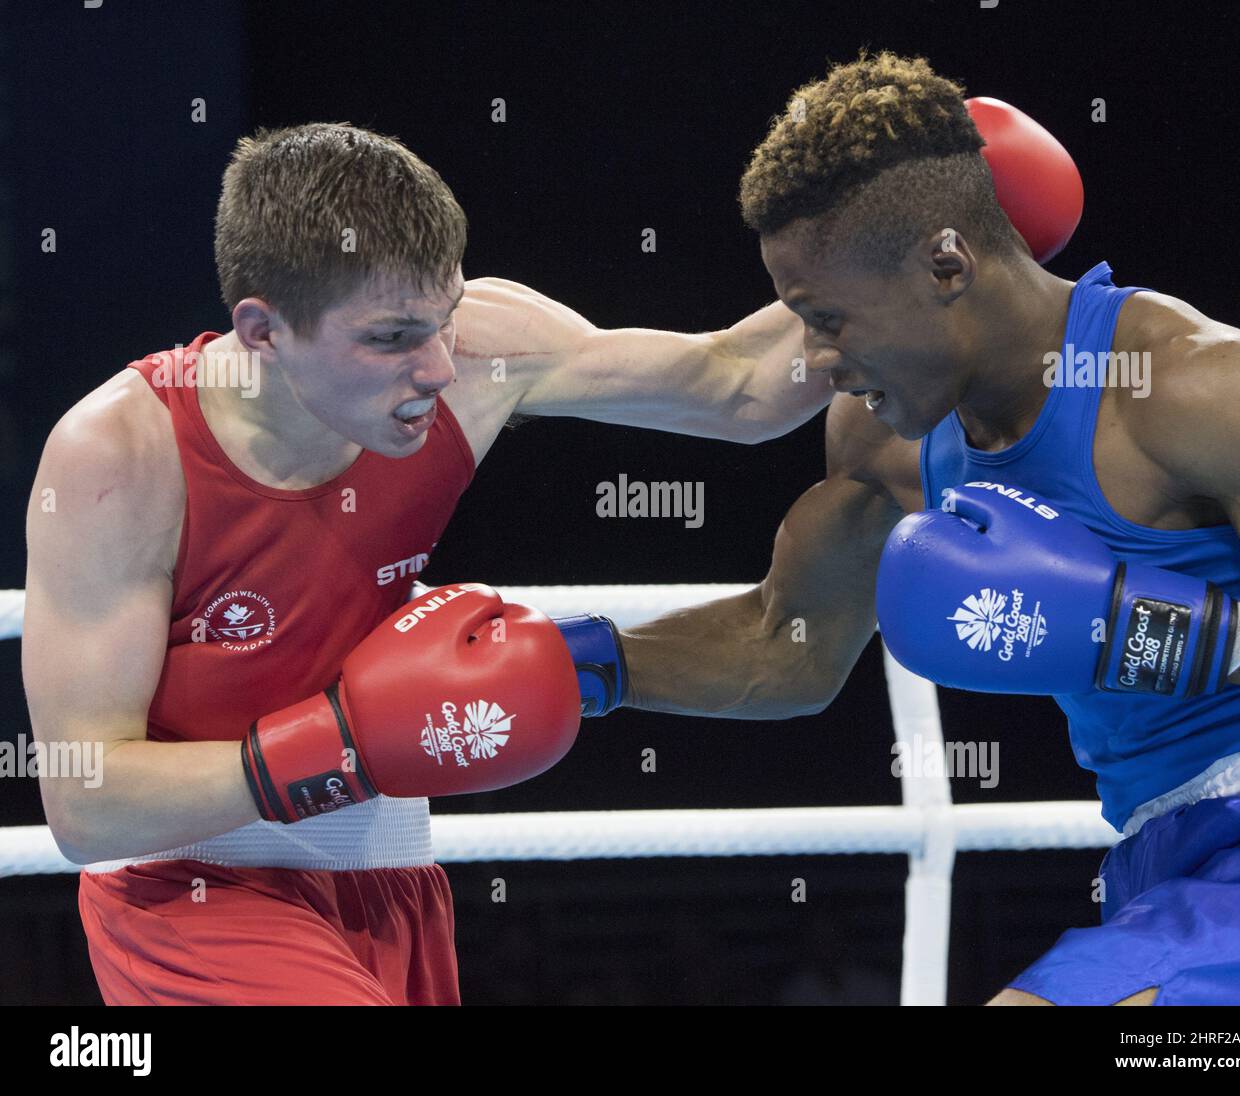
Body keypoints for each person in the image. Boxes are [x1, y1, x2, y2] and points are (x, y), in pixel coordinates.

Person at [21, 122, 826, 1005]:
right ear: (262, 329)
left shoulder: (479, 350)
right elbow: (87, 805)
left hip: (393, 883)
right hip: (191, 896)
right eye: (394, 336)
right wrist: (349, 746)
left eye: (443, 321)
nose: (440, 367)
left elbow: (741, 386)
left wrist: (925, 228)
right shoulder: (122, 453)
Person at [613, 51, 1240, 1005]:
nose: (814, 359)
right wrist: (583, 666)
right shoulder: (887, 439)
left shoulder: (1193, 385)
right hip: (1167, 856)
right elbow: (788, 648)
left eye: (828, 319)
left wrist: (1155, 626)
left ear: (948, 263)